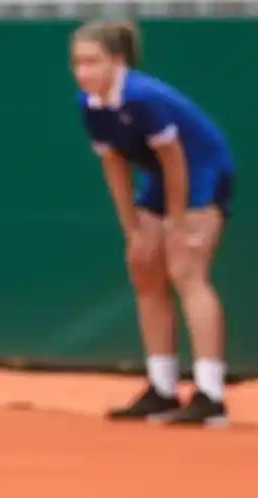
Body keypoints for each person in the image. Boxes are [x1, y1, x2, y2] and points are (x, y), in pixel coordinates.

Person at [71, 19, 235, 427]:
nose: (83, 72)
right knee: (143, 267)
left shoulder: (143, 97)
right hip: (160, 179)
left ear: (117, 62)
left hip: (203, 172)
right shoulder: (89, 104)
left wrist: (177, 222)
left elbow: (175, 160)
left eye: (92, 62)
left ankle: (210, 395)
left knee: (186, 270)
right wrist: (132, 230)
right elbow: (114, 164)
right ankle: (162, 389)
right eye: (77, 63)